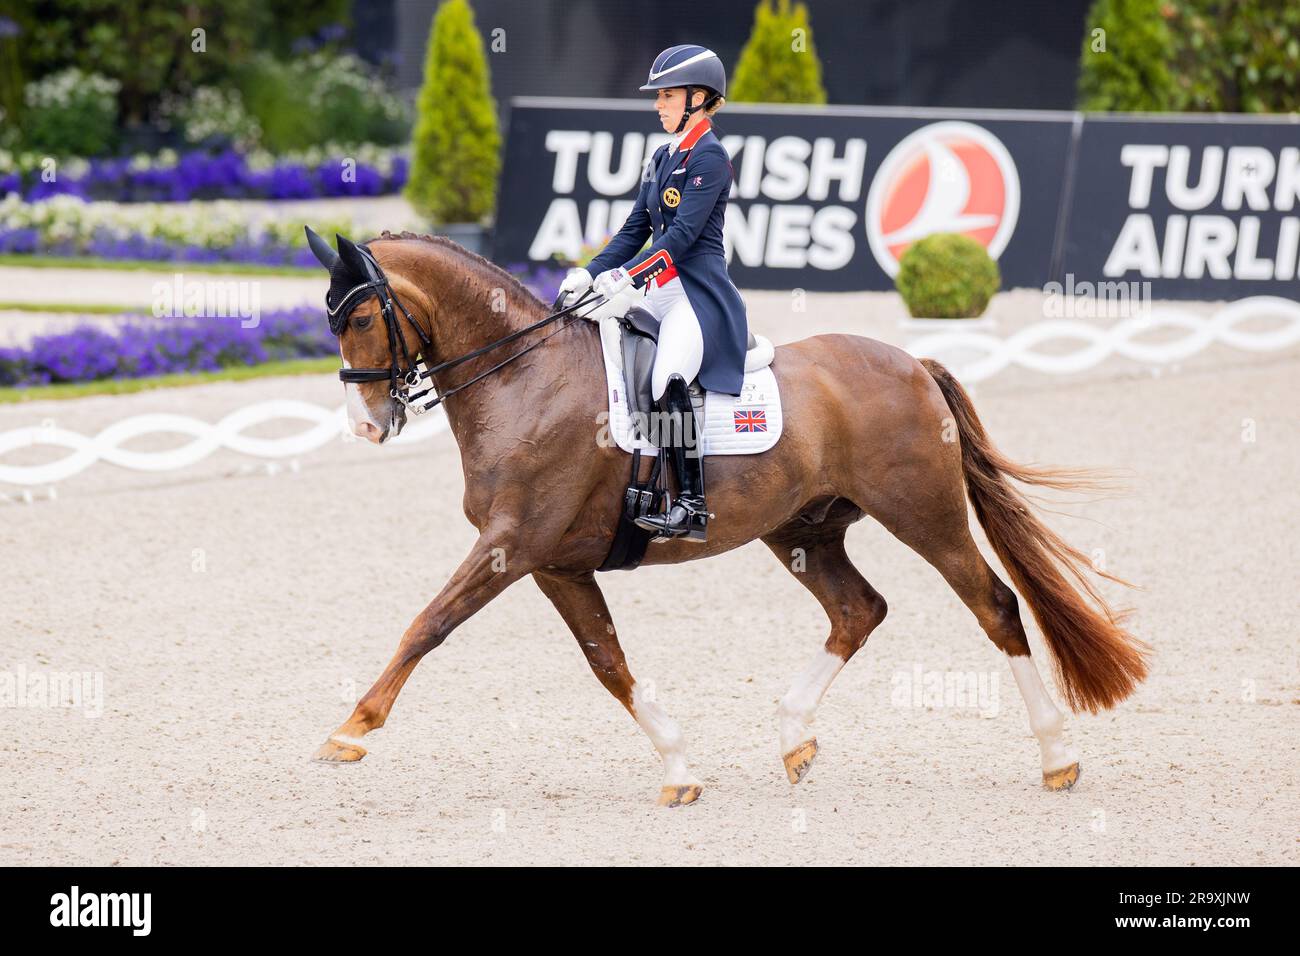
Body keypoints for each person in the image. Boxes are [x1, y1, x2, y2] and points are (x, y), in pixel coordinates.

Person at [559, 44, 749, 542]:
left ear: (699, 98)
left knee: (667, 379)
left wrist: (630, 280)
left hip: (696, 294)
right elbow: (633, 231)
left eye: (666, 96)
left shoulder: (711, 157)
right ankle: (633, 477)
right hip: (661, 286)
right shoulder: (662, 156)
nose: (658, 105)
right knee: (603, 350)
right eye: (659, 96)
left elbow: (681, 237)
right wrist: (591, 272)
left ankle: (691, 503)